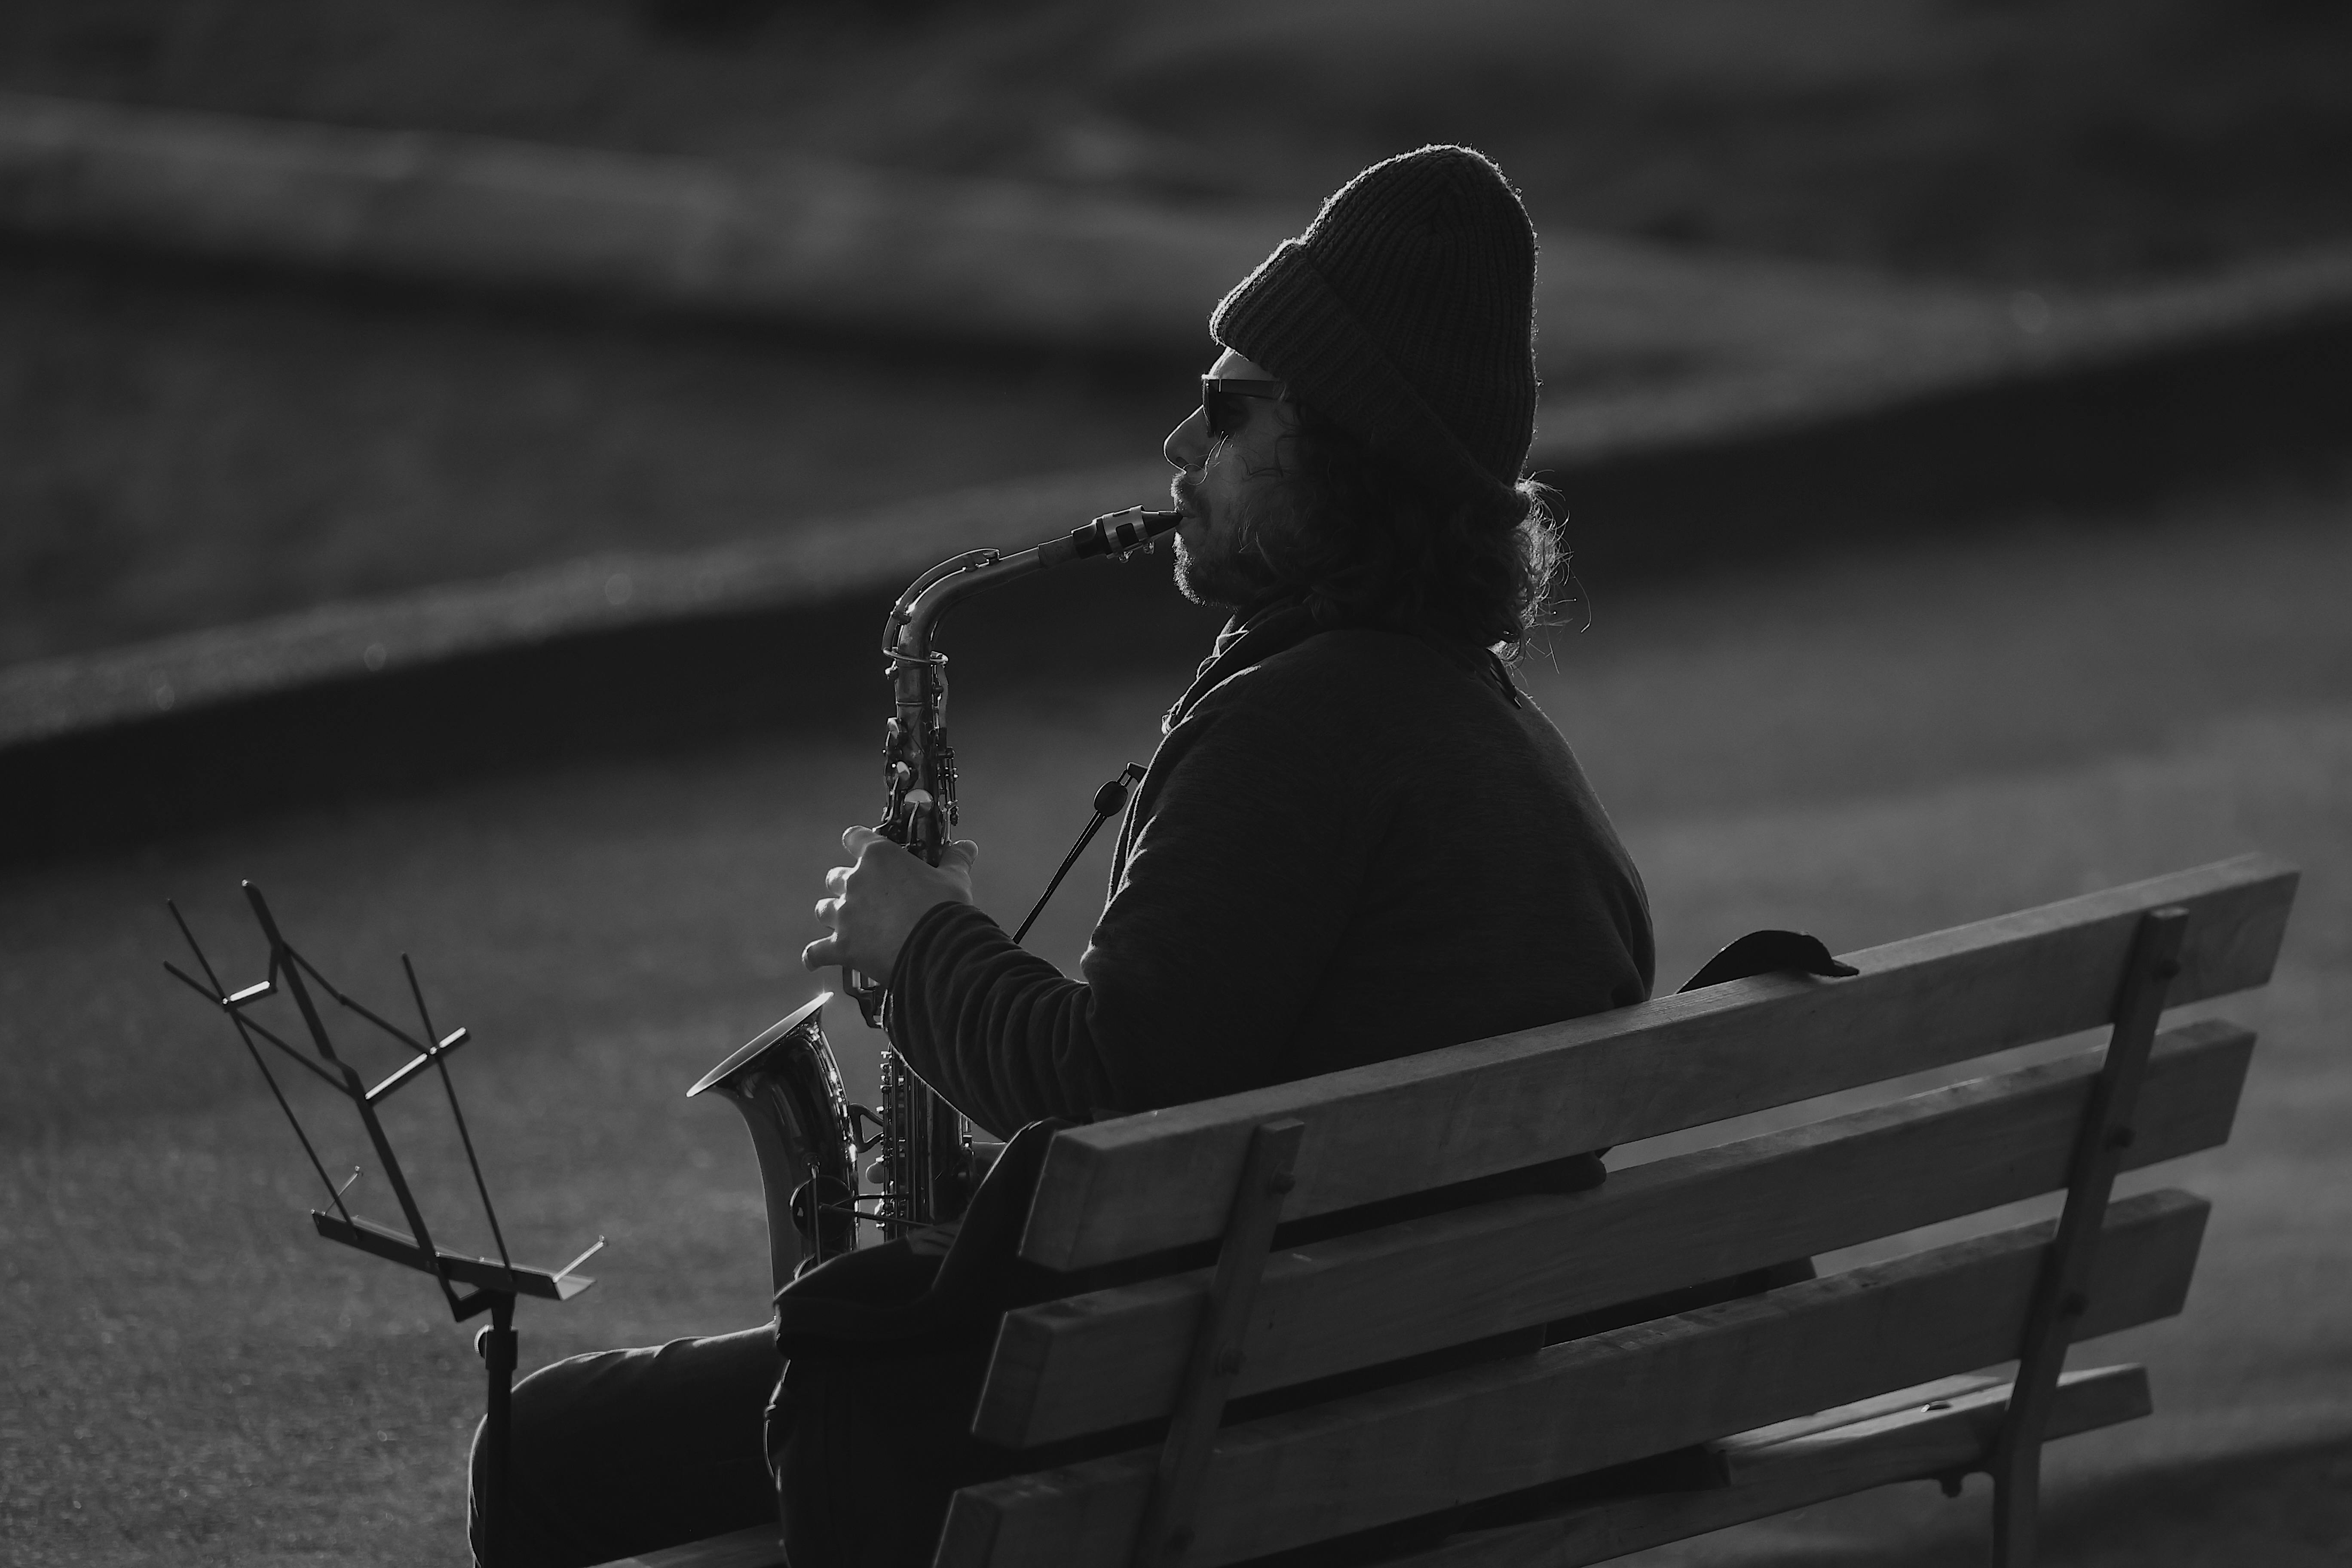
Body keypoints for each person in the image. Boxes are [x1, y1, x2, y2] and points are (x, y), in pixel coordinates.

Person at [470, 144, 1652, 1568]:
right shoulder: (1510, 754)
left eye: (1227, 411)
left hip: (1202, 1432)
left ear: (1345, 448)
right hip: (1410, 1416)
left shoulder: (1298, 732)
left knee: (539, 1448)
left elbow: (1117, 1089)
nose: (1176, 447)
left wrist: (922, 949)